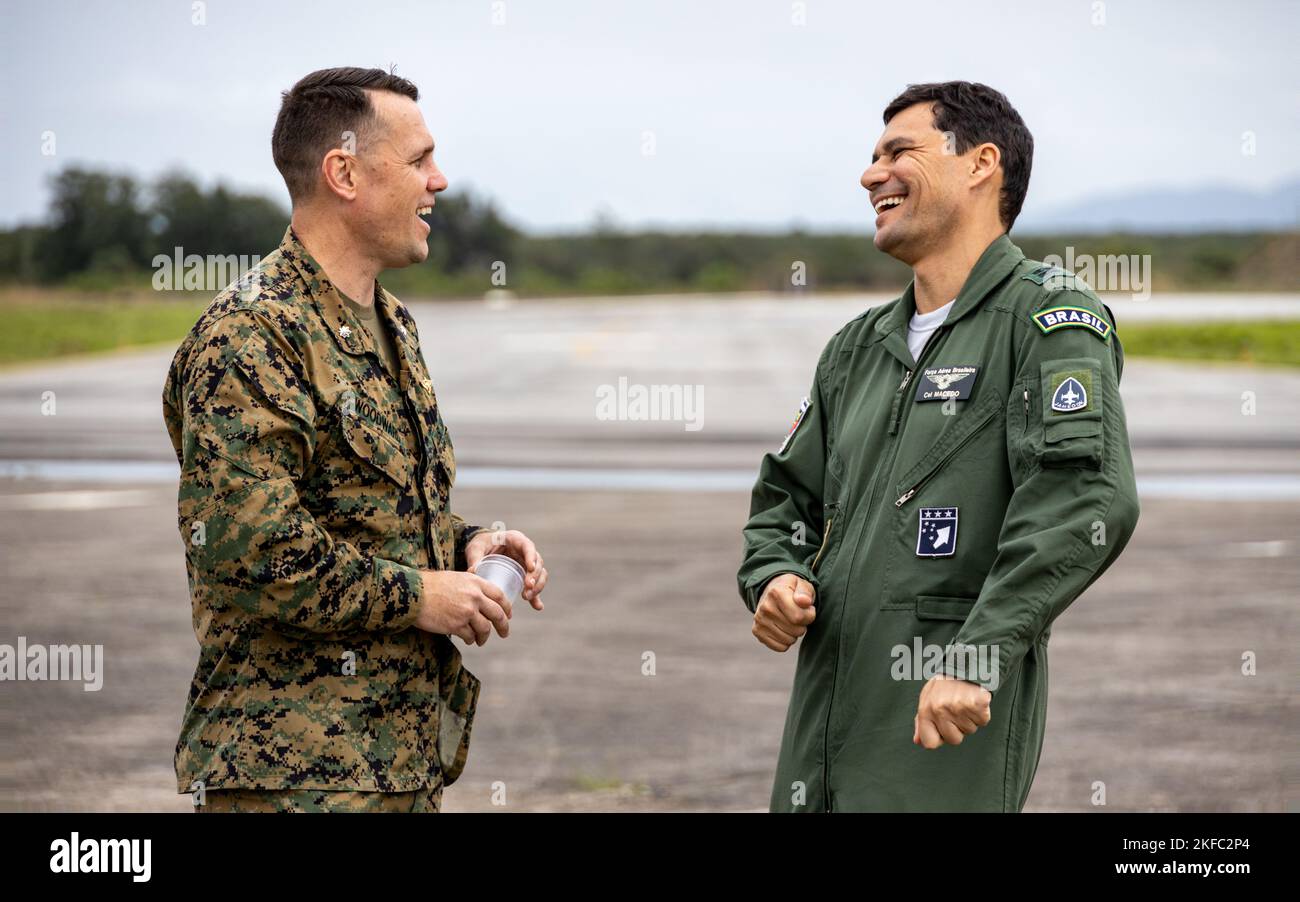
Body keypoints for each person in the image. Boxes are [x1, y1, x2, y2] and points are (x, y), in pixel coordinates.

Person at [736, 81, 1140, 812]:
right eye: (871, 157)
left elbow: (1084, 499)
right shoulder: (856, 348)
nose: (871, 174)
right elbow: (784, 499)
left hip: (941, 731)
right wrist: (773, 576)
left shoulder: (1048, 319)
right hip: (820, 734)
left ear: (981, 164)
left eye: (899, 152)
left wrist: (976, 657)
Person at [162, 66, 549, 813]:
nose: (439, 180)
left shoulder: (392, 324)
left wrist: (468, 546)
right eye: (418, 160)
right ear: (343, 171)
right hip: (293, 776)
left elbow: (369, 512)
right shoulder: (251, 335)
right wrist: (420, 596)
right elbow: (251, 550)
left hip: (397, 766)